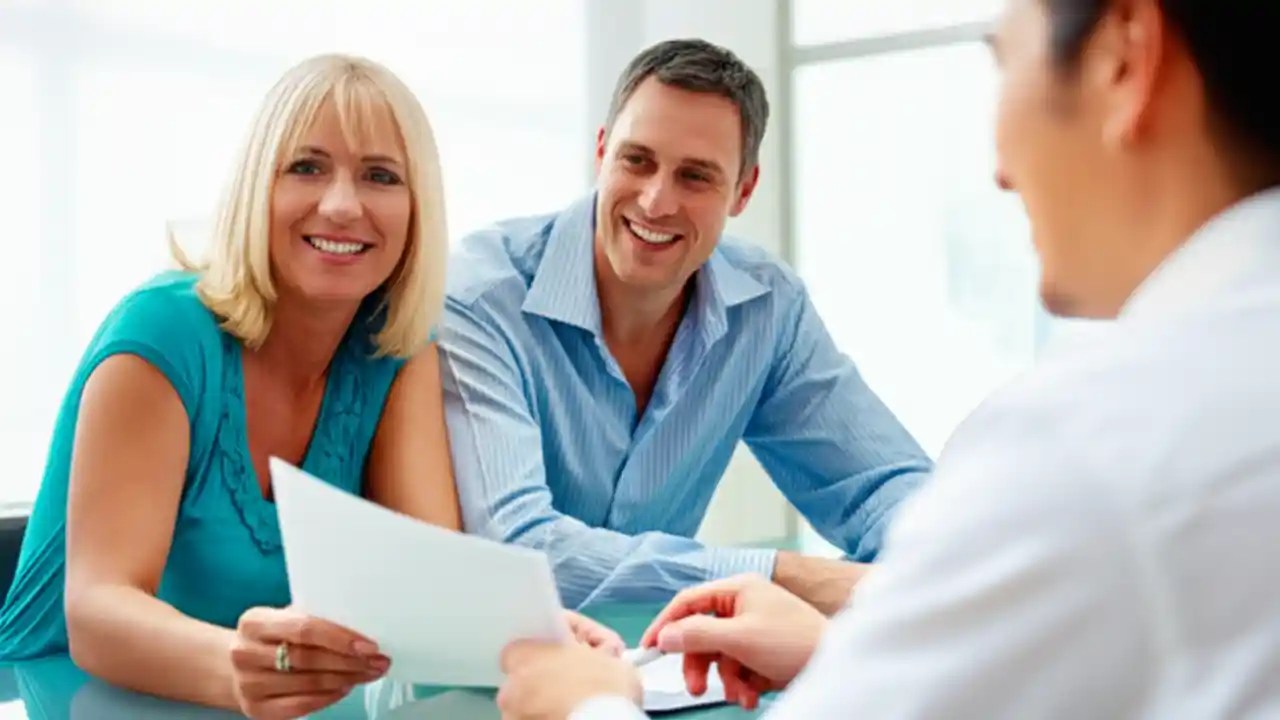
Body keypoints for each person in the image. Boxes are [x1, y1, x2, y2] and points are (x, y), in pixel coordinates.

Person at [495, 0, 1280, 716]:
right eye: (637, 161)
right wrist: (843, 632)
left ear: (1123, 60)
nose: (1000, 172)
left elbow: (884, 489)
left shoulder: (1084, 444)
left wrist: (587, 707)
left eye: (1004, 63)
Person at [0, 53, 619, 720]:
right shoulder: (161, 332)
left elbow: (431, 585)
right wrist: (243, 668)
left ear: (417, 210)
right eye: (307, 167)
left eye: (380, 176)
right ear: (255, 189)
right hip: (61, 697)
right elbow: (97, 613)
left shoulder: (397, 350)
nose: (342, 205)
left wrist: (529, 641)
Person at [438, 38, 933, 615]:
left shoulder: (766, 307)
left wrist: (937, 562)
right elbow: (520, 549)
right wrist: (779, 577)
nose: (654, 201)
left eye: (695, 177)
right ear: (601, 152)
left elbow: (884, 484)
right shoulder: (480, 297)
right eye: (637, 160)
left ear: (743, 191)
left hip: (659, 674)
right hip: (475, 679)